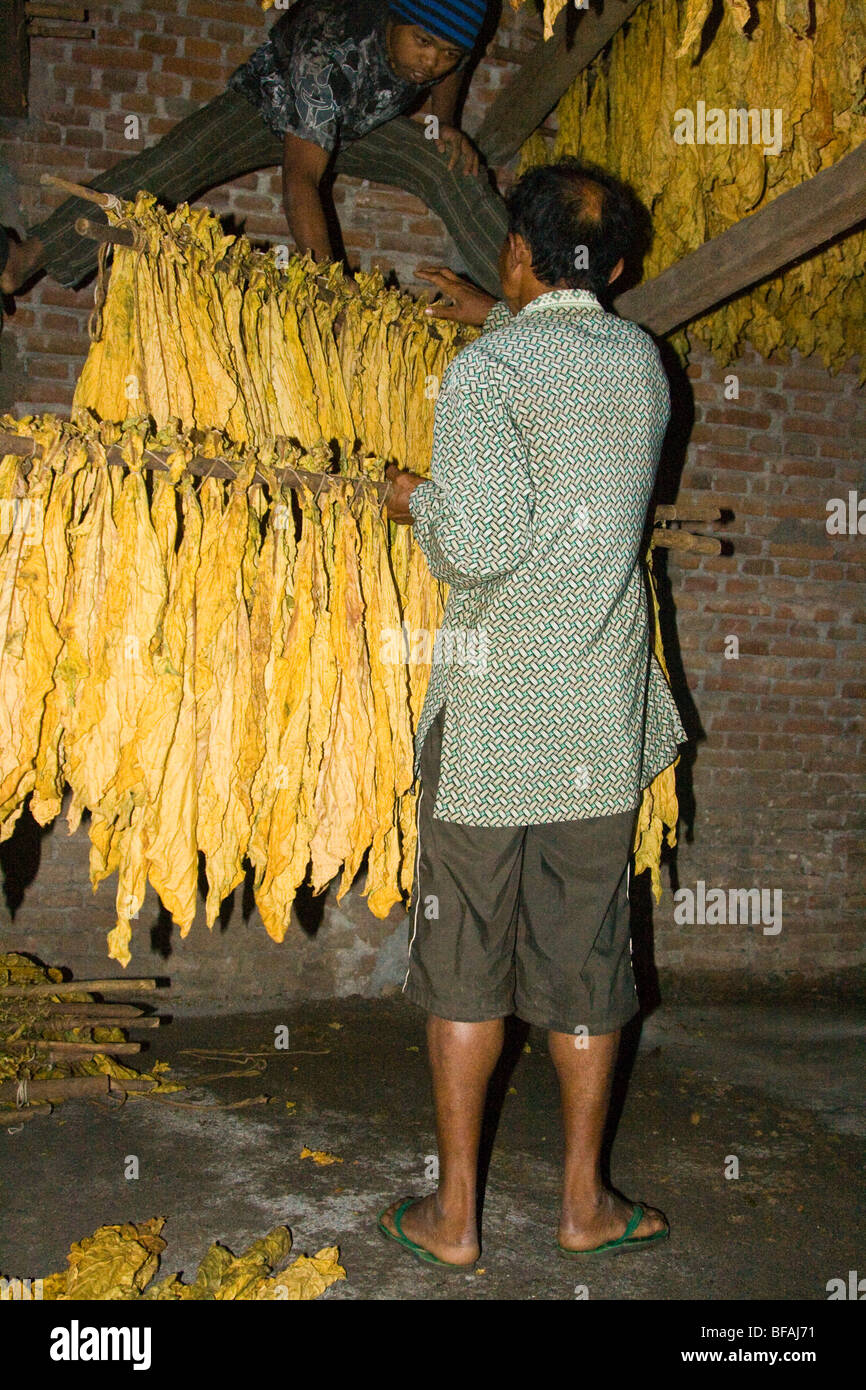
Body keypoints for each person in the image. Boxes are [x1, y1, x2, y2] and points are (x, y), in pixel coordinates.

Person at [379, 158, 687, 1267]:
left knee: (464, 962)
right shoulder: (646, 367)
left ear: (516, 254)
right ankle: (582, 1207)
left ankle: (453, 1218)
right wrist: (497, 315)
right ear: (608, 269)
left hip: (493, 723)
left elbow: (479, 540)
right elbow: (570, 409)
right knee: (583, 961)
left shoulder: (486, 372)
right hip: (593, 730)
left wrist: (416, 502)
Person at [0, 0, 507, 300]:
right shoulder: (328, 47)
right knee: (164, 169)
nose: (432, 63)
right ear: (395, 16)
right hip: (270, 109)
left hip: (360, 120)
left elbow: (456, 67)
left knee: (451, 166)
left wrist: (445, 126)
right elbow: (302, 180)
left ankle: (538, 301)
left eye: (446, 52)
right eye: (422, 43)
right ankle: (28, 255)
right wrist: (329, 289)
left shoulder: (442, 51)